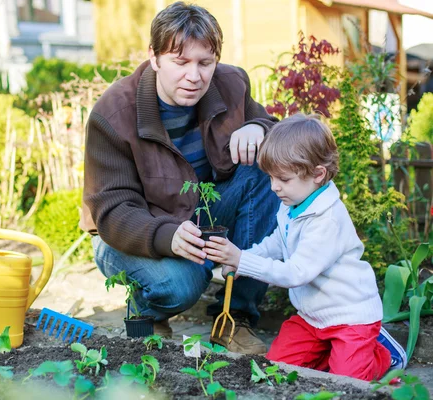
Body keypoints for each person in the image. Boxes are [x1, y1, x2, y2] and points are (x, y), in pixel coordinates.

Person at [80, 1, 280, 354]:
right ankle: (146, 310)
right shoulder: (113, 114)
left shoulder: (231, 85)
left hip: (200, 215)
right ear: (155, 58)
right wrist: (165, 236)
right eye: (180, 61)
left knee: (264, 172)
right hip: (131, 232)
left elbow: (273, 132)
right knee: (183, 283)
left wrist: (257, 127)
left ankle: (234, 318)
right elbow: (111, 212)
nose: (195, 76)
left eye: (205, 62)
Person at [203, 114, 407, 380]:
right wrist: (246, 258)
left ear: (318, 174)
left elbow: (296, 273)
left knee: (347, 381)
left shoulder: (328, 219)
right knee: (277, 369)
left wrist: (242, 260)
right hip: (312, 318)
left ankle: (381, 355)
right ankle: (334, 354)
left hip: (349, 319)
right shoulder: (293, 204)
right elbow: (277, 242)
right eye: (271, 178)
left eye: (284, 179)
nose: (274, 187)